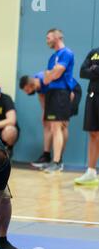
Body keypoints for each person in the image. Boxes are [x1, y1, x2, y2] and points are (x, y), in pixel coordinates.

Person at [19, 73, 82, 168]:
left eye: (27, 90)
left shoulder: (47, 80)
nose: (27, 93)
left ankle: (58, 159)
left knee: (62, 125)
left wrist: (66, 112)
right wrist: (44, 112)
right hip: (58, 96)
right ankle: (46, 156)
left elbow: (70, 94)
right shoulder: (37, 84)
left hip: (71, 92)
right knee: (47, 123)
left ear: (30, 85)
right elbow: (41, 96)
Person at [42, 28, 76, 173]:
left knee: (58, 127)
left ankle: (56, 162)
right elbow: (45, 78)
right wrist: (51, 73)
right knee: (54, 127)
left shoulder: (66, 53)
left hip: (61, 93)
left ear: (57, 37)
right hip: (51, 92)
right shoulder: (53, 57)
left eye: (48, 37)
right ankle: (55, 160)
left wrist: (52, 73)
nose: (47, 40)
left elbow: (56, 74)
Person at [74, 47, 99, 185]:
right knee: (93, 133)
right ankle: (91, 172)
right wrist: (95, 69)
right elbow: (82, 72)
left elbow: (90, 71)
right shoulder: (94, 52)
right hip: (93, 95)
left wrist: (94, 69)